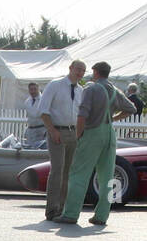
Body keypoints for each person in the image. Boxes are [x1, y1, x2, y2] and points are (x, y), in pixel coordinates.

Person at [55, 60, 135, 226]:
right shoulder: (114, 90)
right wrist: (113, 118)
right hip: (109, 133)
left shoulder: (90, 88)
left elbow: (82, 115)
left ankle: (70, 213)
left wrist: (78, 135)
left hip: (93, 132)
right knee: (107, 177)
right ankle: (102, 215)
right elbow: (131, 108)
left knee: (78, 174)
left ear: (96, 72)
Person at [36, 60, 85, 220]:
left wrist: (79, 133)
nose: (79, 73)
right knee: (57, 169)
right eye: (78, 69)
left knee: (68, 172)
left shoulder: (80, 91)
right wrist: (52, 130)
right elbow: (43, 110)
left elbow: (80, 114)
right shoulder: (55, 85)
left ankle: (63, 208)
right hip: (57, 130)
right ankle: (52, 209)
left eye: (83, 71)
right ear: (70, 68)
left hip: (73, 132)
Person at [22, 82, 45, 148]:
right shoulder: (27, 101)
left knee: (41, 148)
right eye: (31, 89)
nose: (33, 91)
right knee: (29, 148)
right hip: (31, 130)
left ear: (38, 89)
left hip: (42, 129)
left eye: (35, 89)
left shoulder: (43, 100)